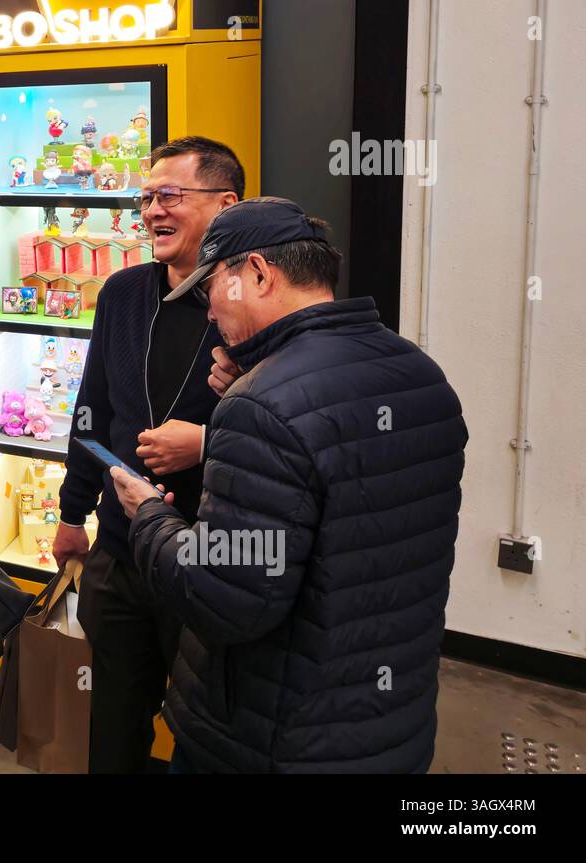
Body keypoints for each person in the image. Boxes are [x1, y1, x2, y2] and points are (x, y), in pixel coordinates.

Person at [112, 197, 468, 773]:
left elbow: (226, 598)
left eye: (211, 291)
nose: (207, 315)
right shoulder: (420, 375)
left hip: (270, 740)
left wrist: (150, 517)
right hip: (387, 725)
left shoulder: (264, 405)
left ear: (257, 272)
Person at [52, 136, 242, 772]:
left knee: (205, 723)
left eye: (170, 197)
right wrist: (72, 511)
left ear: (225, 205)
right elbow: (93, 406)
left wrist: (205, 444)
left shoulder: (253, 303)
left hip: (207, 551)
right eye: (147, 197)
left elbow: (292, 431)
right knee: (111, 718)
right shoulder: (123, 293)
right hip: (121, 550)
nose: (153, 211)